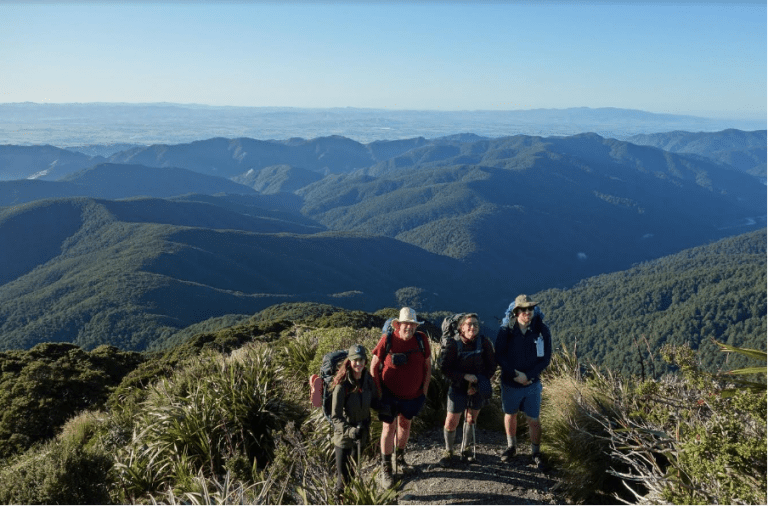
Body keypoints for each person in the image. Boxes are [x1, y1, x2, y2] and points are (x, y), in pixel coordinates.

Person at [370, 307, 431, 489]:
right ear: (398, 325)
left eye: (412, 325)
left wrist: (424, 391)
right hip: (388, 395)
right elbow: (374, 366)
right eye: (406, 324)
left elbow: (428, 366)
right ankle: (386, 468)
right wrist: (379, 393)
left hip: (413, 396)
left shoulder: (422, 339)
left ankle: (400, 458)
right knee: (388, 428)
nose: (409, 328)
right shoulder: (387, 339)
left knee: (405, 424)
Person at [494, 294, 552, 470]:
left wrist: (529, 376)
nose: (528, 312)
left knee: (533, 419)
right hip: (511, 382)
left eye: (530, 309)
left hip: (532, 383)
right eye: (524, 309)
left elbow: (546, 358)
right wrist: (514, 374)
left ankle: (535, 452)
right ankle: (511, 447)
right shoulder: (507, 331)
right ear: (516, 311)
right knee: (510, 415)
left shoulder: (541, 330)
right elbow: (499, 355)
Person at [438, 313, 496, 467]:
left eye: (476, 324)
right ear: (461, 328)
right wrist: (464, 377)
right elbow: (445, 369)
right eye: (469, 324)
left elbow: (491, 366)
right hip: (457, 387)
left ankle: (466, 449)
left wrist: (477, 384)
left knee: (471, 418)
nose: (472, 327)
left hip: (477, 387)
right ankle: (449, 451)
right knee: (451, 421)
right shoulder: (452, 344)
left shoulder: (484, 343)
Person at [331, 344, 376, 497]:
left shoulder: (367, 380)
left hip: (361, 435)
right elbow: (335, 416)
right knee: (342, 480)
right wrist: (350, 431)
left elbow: (374, 402)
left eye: (361, 359)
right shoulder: (342, 386)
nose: (358, 363)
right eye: (355, 360)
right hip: (344, 439)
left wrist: (389, 409)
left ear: (365, 360)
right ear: (349, 361)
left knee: (353, 474)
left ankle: (349, 500)